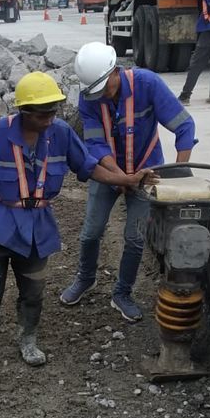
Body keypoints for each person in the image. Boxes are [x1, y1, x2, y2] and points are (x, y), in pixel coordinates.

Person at [0, 72, 158, 384]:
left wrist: (127, 180)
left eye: (54, 111)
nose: (50, 118)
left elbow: (89, 167)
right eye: (43, 113)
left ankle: (28, 341)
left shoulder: (61, 133)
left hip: (38, 228)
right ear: (24, 113)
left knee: (33, 292)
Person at [60, 41, 197, 322]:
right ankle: (86, 279)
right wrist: (120, 178)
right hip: (110, 172)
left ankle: (122, 293)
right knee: (91, 231)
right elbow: (96, 144)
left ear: (115, 72)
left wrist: (177, 172)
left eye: (106, 89)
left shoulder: (147, 84)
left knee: (134, 238)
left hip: (147, 171)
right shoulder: (90, 97)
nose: (102, 96)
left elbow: (184, 125)